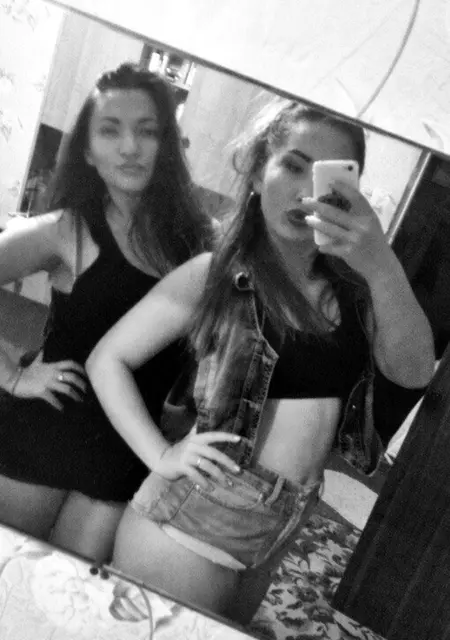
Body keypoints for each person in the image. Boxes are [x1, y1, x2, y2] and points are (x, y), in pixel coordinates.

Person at [87, 99, 435, 619]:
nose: (305, 191)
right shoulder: (216, 275)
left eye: (325, 177)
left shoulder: (356, 293)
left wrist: (382, 263)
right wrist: (161, 455)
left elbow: (414, 372)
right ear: (255, 171)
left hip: (282, 525)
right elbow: (107, 359)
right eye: (292, 166)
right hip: (190, 523)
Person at [0, 63, 214, 562]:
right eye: (110, 131)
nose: (130, 147)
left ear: (167, 146)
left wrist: (184, 409)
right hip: (40, 437)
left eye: (147, 131)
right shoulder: (65, 230)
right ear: (87, 151)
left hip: (126, 456)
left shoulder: (201, 245)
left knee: (71, 600)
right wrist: (12, 377)